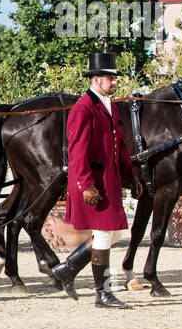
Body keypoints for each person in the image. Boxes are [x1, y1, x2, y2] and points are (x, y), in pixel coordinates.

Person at [49, 52, 139, 308]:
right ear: (97, 79)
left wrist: (131, 175)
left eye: (114, 78)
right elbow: (77, 152)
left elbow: (119, 145)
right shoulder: (83, 108)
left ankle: (67, 269)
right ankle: (104, 294)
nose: (114, 83)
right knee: (103, 235)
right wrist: (86, 185)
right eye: (110, 79)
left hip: (108, 181)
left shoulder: (108, 105)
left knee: (118, 233)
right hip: (91, 183)